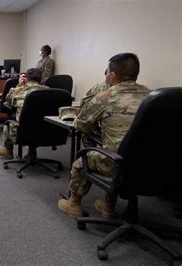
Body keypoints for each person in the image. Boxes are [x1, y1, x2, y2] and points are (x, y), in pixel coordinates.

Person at [58, 53, 150, 218]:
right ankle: (108, 205)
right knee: (119, 150)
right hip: (153, 163)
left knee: (82, 160)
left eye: (106, 72)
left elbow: (80, 125)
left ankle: (74, 203)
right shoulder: (151, 96)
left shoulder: (105, 96)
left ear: (112, 75)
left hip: (118, 164)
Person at [0, 68, 49, 159]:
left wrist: (19, 85)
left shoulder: (18, 91)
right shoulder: (49, 91)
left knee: (7, 126)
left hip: (23, 130)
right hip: (47, 130)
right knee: (36, 121)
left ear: (26, 79)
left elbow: (7, 103)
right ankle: (30, 149)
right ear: (41, 79)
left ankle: (8, 151)